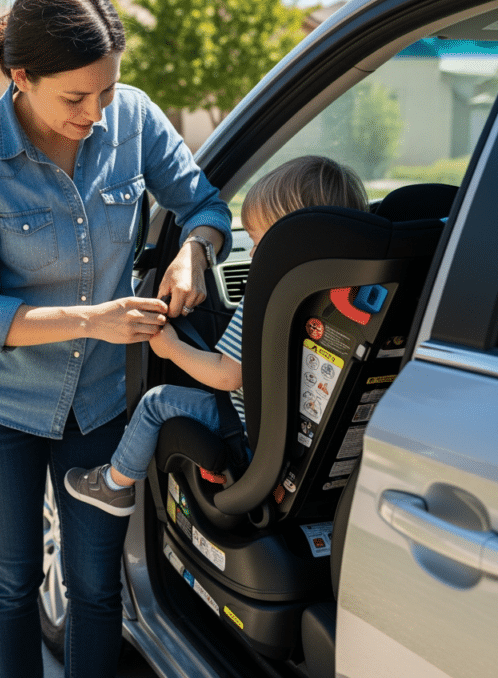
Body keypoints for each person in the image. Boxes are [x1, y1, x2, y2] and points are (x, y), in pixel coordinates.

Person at [0, 0, 232, 678]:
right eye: (75, 96)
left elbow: (205, 202)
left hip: (101, 405)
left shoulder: (133, 116)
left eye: (106, 90)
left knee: (97, 588)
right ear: (21, 76)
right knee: (12, 581)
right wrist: (94, 318)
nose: (96, 111)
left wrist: (195, 249)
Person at [65, 155, 369, 516]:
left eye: (260, 241)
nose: (253, 252)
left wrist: (172, 349)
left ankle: (115, 484)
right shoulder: (354, 299)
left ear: (293, 240)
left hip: (251, 430)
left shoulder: (269, 301)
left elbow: (227, 375)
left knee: (156, 402)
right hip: (311, 442)